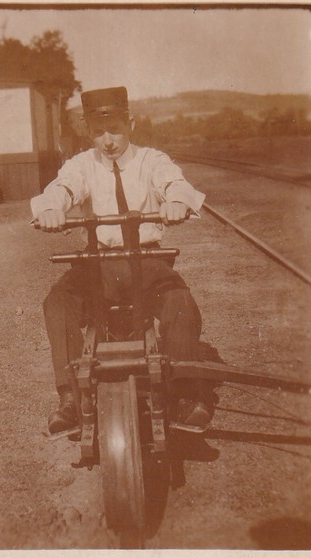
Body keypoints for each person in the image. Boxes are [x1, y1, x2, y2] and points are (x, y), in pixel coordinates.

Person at [31, 86, 214, 434]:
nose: (108, 140)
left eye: (115, 128)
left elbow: (173, 182)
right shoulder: (81, 165)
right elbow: (65, 187)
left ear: (130, 123)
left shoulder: (151, 160)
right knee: (57, 302)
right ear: (88, 131)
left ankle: (186, 395)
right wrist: (52, 207)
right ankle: (70, 397)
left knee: (181, 303)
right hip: (96, 265)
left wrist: (175, 201)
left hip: (146, 262)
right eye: (98, 132)